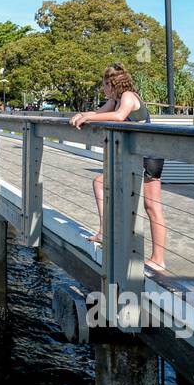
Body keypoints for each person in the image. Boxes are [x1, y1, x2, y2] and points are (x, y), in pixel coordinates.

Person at [69, 63, 167, 270]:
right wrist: (82, 115)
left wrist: (88, 117)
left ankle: (158, 258)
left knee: (152, 207)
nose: (103, 89)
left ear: (112, 84)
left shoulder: (129, 97)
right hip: (134, 156)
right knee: (100, 183)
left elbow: (119, 116)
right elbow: (99, 112)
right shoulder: (115, 99)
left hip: (149, 155)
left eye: (104, 85)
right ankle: (105, 233)